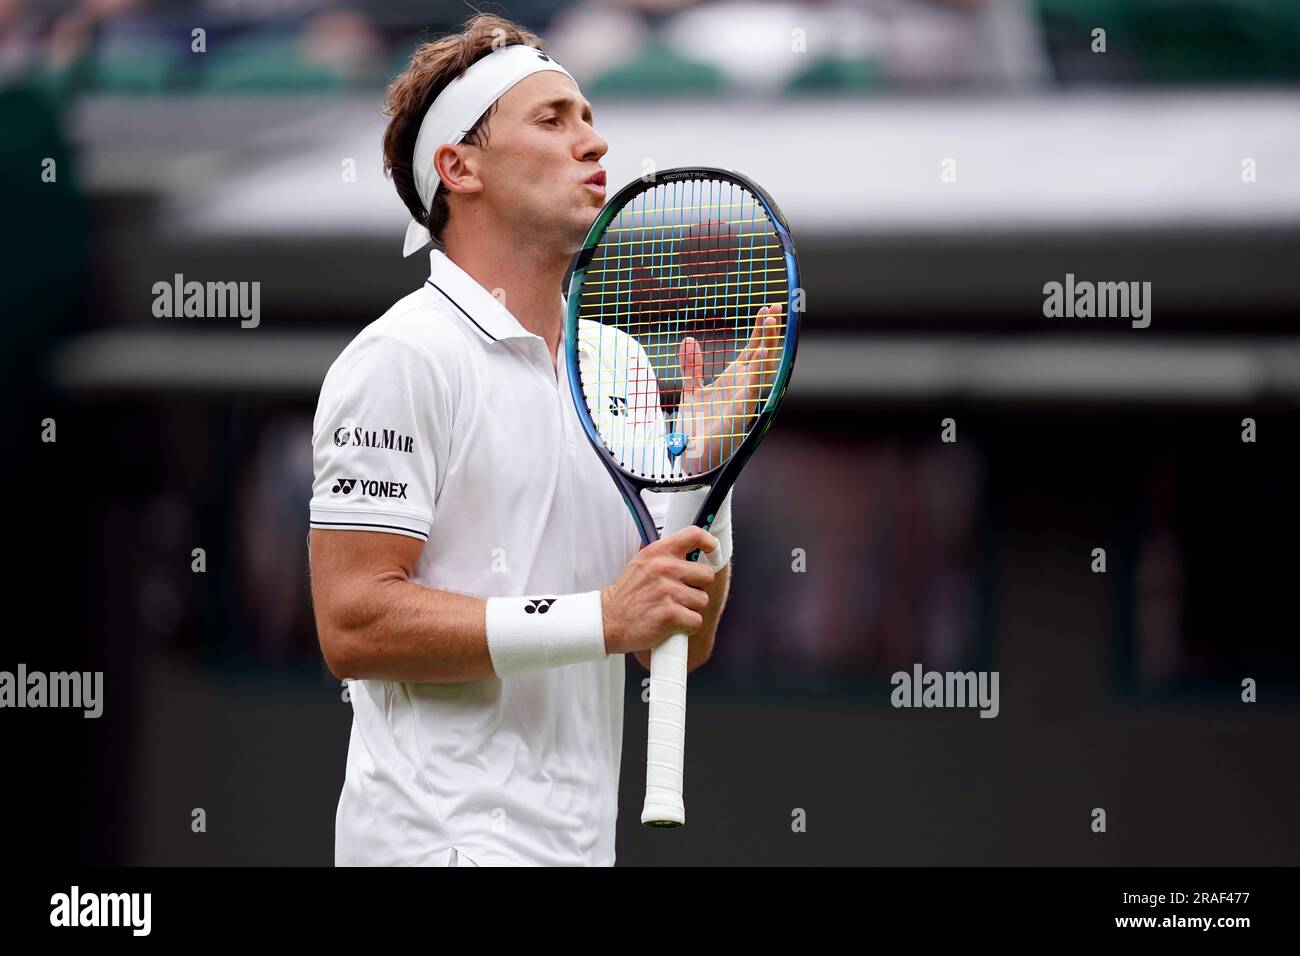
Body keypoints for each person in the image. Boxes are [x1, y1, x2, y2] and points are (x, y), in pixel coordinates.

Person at [307, 13, 746, 867]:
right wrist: (600, 618)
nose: (593, 141)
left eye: (587, 117)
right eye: (552, 120)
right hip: (435, 848)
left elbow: (680, 648)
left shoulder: (614, 363)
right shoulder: (401, 357)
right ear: (458, 168)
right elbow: (352, 623)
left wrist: (700, 485)